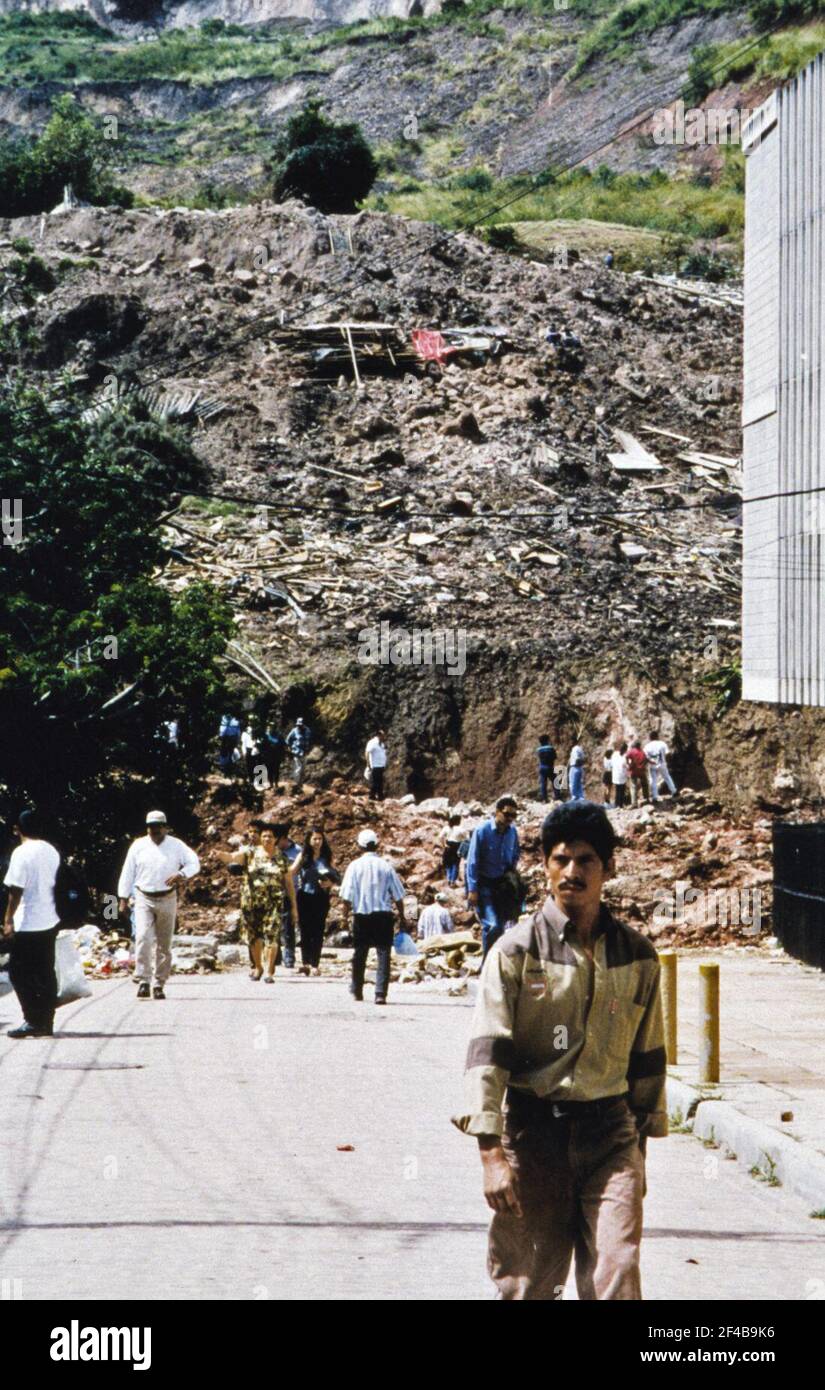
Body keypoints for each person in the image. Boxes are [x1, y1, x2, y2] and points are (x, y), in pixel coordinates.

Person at [454, 800, 667, 1301]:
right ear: (545, 866)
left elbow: (648, 1056)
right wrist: (491, 1154)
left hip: (611, 1136)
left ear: (608, 867)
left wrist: (640, 1154)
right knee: (527, 1285)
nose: (572, 872)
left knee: (617, 1275)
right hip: (534, 1135)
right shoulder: (514, 952)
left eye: (586, 860)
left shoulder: (637, 956)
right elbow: (488, 1053)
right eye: (560, 860)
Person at [117, 811, 200, 1000]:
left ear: (165, 827)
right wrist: (122, 898)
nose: (154, 830)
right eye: (150, 826)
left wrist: (182, 874)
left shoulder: (176, 845)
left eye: (157, 826)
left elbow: (194, 863)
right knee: (143, 938)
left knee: (164, 944)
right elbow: (127, 872)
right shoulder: (138, 845)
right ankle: (144, 980)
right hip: (143, 897)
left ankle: (159, 983)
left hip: (167, 897)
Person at [2, 810, 60, 1038]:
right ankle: (47, 1021)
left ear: (18, 829)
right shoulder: (51, 851)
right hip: (51, 918)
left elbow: (16, 890)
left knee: (18, 972)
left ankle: (32, 1019)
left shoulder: (21, 853)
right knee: (45, 971)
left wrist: (7, 920)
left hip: (28, 921)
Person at [221, 821, 298, 983]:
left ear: (276, 839)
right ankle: (258, 967)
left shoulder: (281, 858)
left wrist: (293, 907)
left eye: (270, 836)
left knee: (272, 936)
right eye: (264, 836)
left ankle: (270, 971)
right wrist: (221, 855)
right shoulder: (250, 853)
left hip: (274, 903)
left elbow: (289, 883)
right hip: (251, 903)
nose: (267, 839)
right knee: (254, 937)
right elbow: (233, 857)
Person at [339, 828, 406, 1005]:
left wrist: (344, 918)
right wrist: (403, 916)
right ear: (376, 845)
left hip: (361, 915)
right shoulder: (386, 866)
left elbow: (346, 897)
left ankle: (357, 989)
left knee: (360, 953)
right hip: (383, 915)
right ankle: (380, 993)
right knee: (383, 953)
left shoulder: (354, 866)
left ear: (359, 846)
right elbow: (398, 895)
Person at [466, 796, 521, 958]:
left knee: (501, 926)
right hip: (484, 884)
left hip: (502, 885)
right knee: (493, 924)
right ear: (497, 812)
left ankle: (490, 965)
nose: (510, 819)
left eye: (513, 816)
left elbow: (516, 853)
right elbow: (473, 861)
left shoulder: (512, 832)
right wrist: (472, 889)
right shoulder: (482, 830)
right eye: (506, 815)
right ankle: (488, 963)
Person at [293, 828, 340, 975]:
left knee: (318, 930)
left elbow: (336, 876)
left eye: (320, 839)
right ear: (309, 840)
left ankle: (315, 964)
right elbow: (292, 871)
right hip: (304, 896)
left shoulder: (327, 857)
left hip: (321, 897)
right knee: (305, 930)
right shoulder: (303, 856)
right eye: (314, 839)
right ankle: (305, 962)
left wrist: (330, 884)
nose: (317, 842)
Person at [278, 825, 302, 969]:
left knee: (289, 925)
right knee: (274, 925)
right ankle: (275, 956)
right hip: (274, 892)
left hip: (291, 892)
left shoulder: (298, 851)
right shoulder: (271, 851)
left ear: (285, 838)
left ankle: (289, 955)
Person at [644, 732, 677, 804]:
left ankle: (655, 797)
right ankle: (674, 791)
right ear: (657, 736)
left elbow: (645, 758)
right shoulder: (662, 744)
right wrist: (666, 762)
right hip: (662, 764)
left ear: (650, 738)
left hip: (652, 765)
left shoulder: (647, 746)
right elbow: (668, 754)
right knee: (667, 777)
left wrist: (650, 762)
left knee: (653, 780)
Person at [286, 717, 312, 790]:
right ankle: (296, 784)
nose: (300, 726)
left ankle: (301, 784)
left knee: (303, 769)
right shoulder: (294, 731)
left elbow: (310, 740)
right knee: (298, 768)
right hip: (296, 752)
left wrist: (309, 748)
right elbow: (288, 740)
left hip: (305, 752)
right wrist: (289, 749)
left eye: (301, 725)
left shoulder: (308, 730)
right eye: (299, 725)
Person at [365, 729, 388, 801]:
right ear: (379, 735)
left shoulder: (382, 744)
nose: (384, 736)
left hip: (381, 766)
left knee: (380, 781)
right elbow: (367, 752)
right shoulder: (372, 742)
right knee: (375, 782)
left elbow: (383, 753)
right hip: (375, 765)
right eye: (383, 735)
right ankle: (372, 796)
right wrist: (368, 763)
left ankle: (380, 796)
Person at [625, 739, 649, 807]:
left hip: (634, 771)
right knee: (645, 785)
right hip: (642, 771)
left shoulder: (632, 751)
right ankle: (646, 798)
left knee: (633, 786)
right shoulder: (642, 752)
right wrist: (644, 766)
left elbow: (626, 756)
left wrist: (628, 764)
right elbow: (646, 759)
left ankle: (634, 803)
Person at [442, 814, 464, 885]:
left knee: (448, 863)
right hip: (457, 846)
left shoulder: (446, 828)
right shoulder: (460, 829)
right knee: (455, 863)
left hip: (448, 845)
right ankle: (452, 881)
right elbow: (466, 839)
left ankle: (448, 878)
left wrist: (444, 844)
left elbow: (440, 837)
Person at [536, 736, 558, 804]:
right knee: (555, 781)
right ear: (547, 740)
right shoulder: (550, 748)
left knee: (543, 783)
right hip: (549, 766)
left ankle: (544, 799)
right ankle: (557, 796)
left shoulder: (538, 749)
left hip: (542, 767)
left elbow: (538, 757)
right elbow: (555, 757)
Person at [611, 742, 629, 808]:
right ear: (625, 749)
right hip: (621, 775)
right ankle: (620, 805)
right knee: (621, 790)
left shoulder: (614, 754)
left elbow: (612, 764)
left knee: (617, 790)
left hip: (616, 774)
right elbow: (626, 765)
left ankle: (617, 804)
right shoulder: (624, 756)